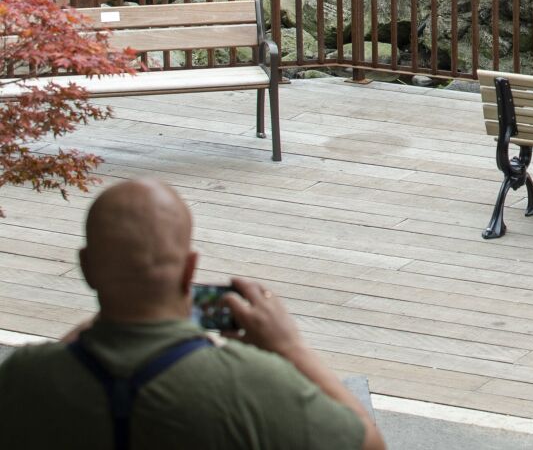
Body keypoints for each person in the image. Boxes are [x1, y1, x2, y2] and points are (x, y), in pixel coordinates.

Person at [0, 179, 385, 450]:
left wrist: (97, 330)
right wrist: (290, 347)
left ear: (86, 268)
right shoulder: (253, 383)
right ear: (189, 270)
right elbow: (367, 443)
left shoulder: (23, 377)